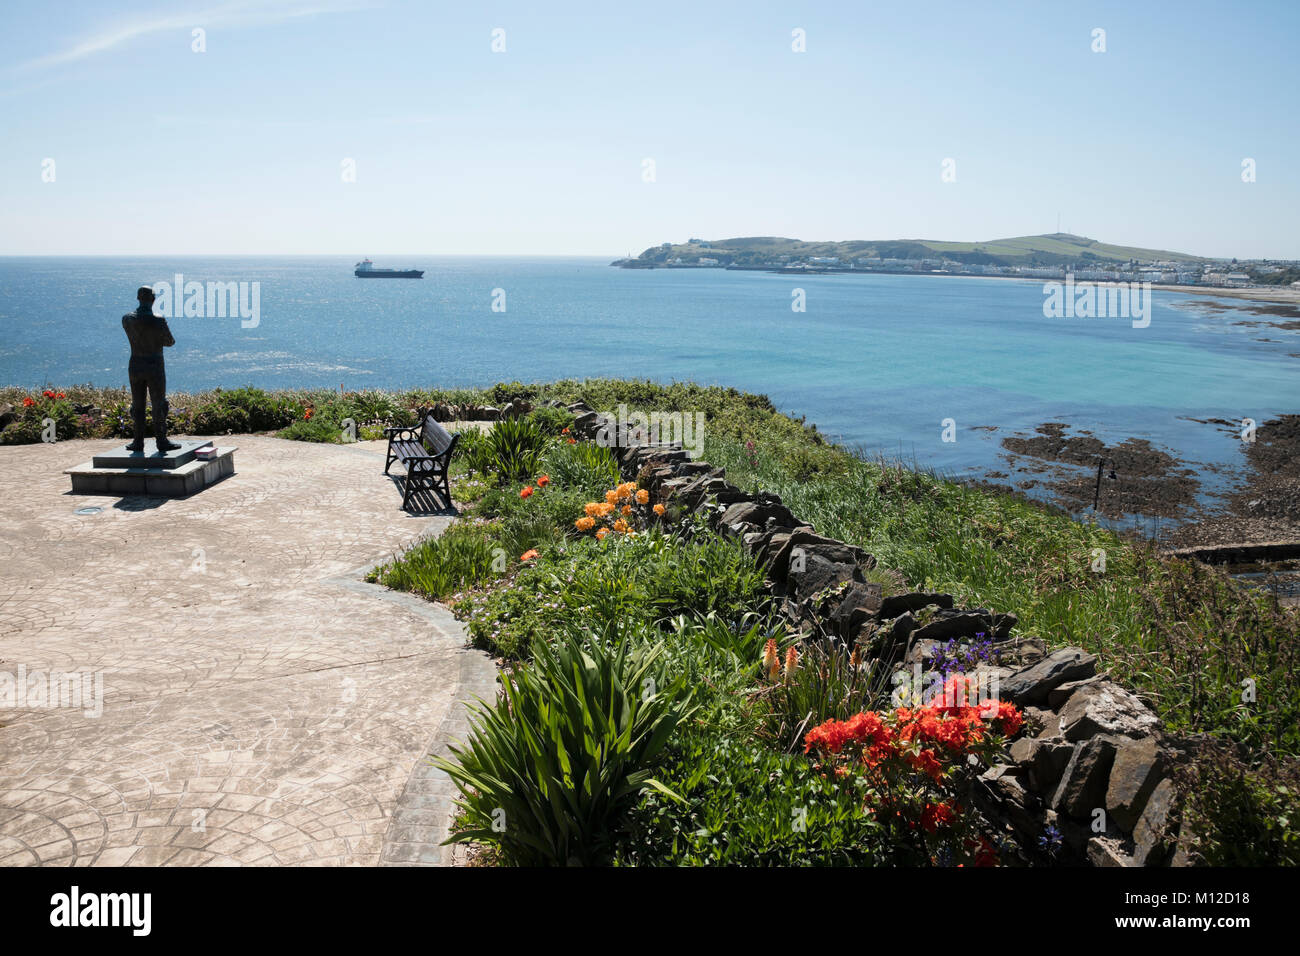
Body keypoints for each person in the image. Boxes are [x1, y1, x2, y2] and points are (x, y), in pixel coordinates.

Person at [121, 286, 179, 452]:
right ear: (153, 299)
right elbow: (170, 342)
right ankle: (161, 441)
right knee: (158, 404)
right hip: (154, 365)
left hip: (135, 364)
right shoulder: (159, 320)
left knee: (137, 404)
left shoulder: (126, 319)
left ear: (138, 298)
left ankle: (137, 441)